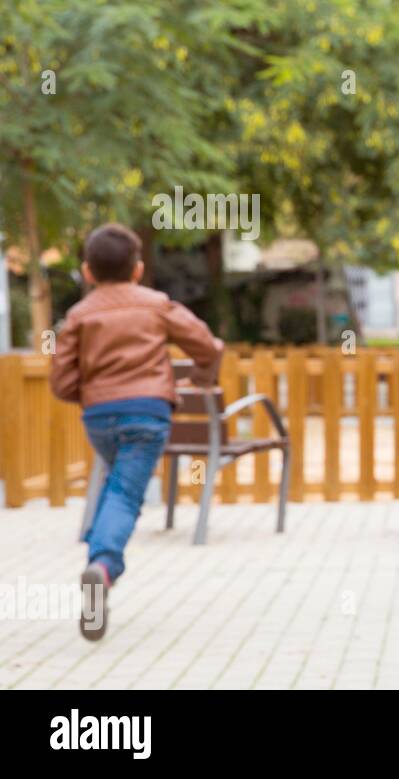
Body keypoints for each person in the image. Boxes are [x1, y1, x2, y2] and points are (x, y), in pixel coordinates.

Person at [49, 223, 224, 641]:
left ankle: (99, 550)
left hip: (99, 417)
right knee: (126, 494)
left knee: (116, 486)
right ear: (138, 268)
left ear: (87, 272)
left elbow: (60, 379)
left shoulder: (79, 315)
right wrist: (201, 376)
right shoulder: (156, 304)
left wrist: (89, 392)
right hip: (148, 413)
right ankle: (104, 566)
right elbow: (207, 343)